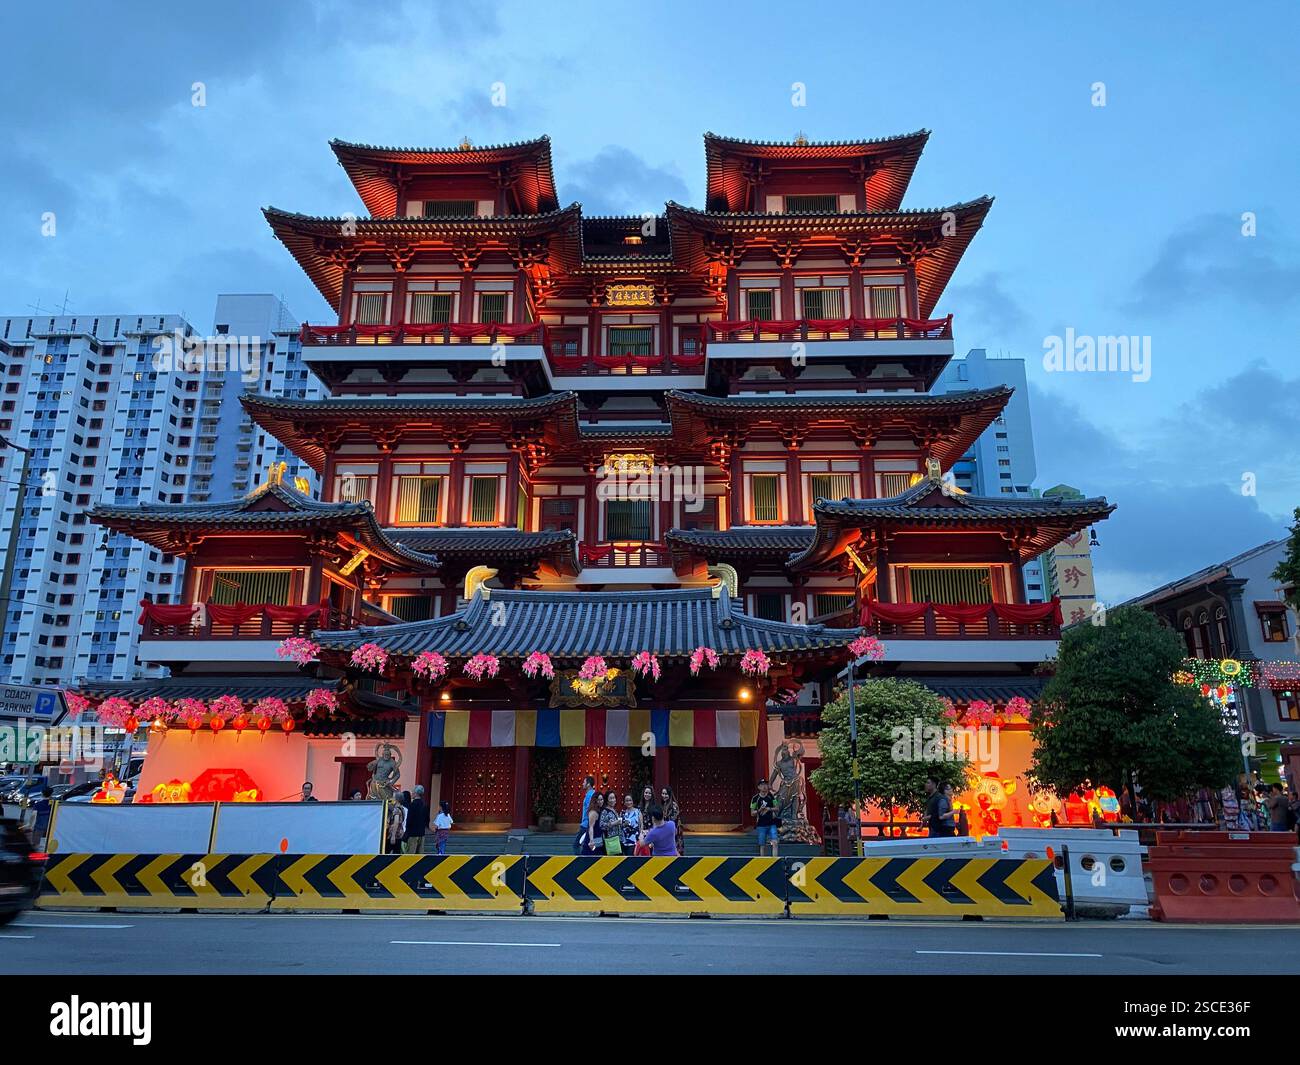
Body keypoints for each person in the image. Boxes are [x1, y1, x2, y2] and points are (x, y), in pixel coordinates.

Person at [751, 778, 780, 857]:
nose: (764, 787)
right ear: (759, 787)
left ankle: (775, 860)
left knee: (775, 843)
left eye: (766, 785)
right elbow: (752, 813)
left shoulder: (771, 797)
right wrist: (759, 810)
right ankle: (763, 862)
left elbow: (777, 808)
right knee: (762, 845)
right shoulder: (755, 798)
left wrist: (769, 809)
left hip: (772, 823)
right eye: (762, 785)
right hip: (761, 825)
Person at [404, 784, 430, 853]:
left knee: (411, 854)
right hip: (422, 832)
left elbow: (409, 820)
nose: (412, 793)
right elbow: (427, 819)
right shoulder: (425, 805)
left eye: (412, 792)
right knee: (420, 854)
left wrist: (407, 832)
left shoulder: (412, 805)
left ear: (415, 793)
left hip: (412, 833)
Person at [575, 774, 597, 854]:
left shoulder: (589, 796)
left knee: (576, 845)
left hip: (586, 825)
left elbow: (589, 811)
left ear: (588, 784)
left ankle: (579, 862)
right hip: (587, 825)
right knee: (587, 846)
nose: (582, 784)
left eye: (584, 782)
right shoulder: (593, 794)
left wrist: (586, 826)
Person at [579, 791, 605, 855]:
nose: (600, 801)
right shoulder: (593, 812)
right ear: (594, 801)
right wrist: (591, 840)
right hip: (593, 841)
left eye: (601, 799)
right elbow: (591, 827)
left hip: (599, 839)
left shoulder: (601, 810)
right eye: (598, 800)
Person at [660, 786, 683, 855]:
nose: (664, 796)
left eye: (666, 794)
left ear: (670, 795)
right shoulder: (663, 805)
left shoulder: (673, 806)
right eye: (663, 794)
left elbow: (673, 821)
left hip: (673, 833)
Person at [599, 789, 621, 854]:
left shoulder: (615, 810)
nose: (612, 800)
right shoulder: (605, 811)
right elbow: (602, 825)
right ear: (607, 800)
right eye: (610, 798)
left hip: (617, 839)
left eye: (614, 798)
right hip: (610, 840)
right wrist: (614, 823)